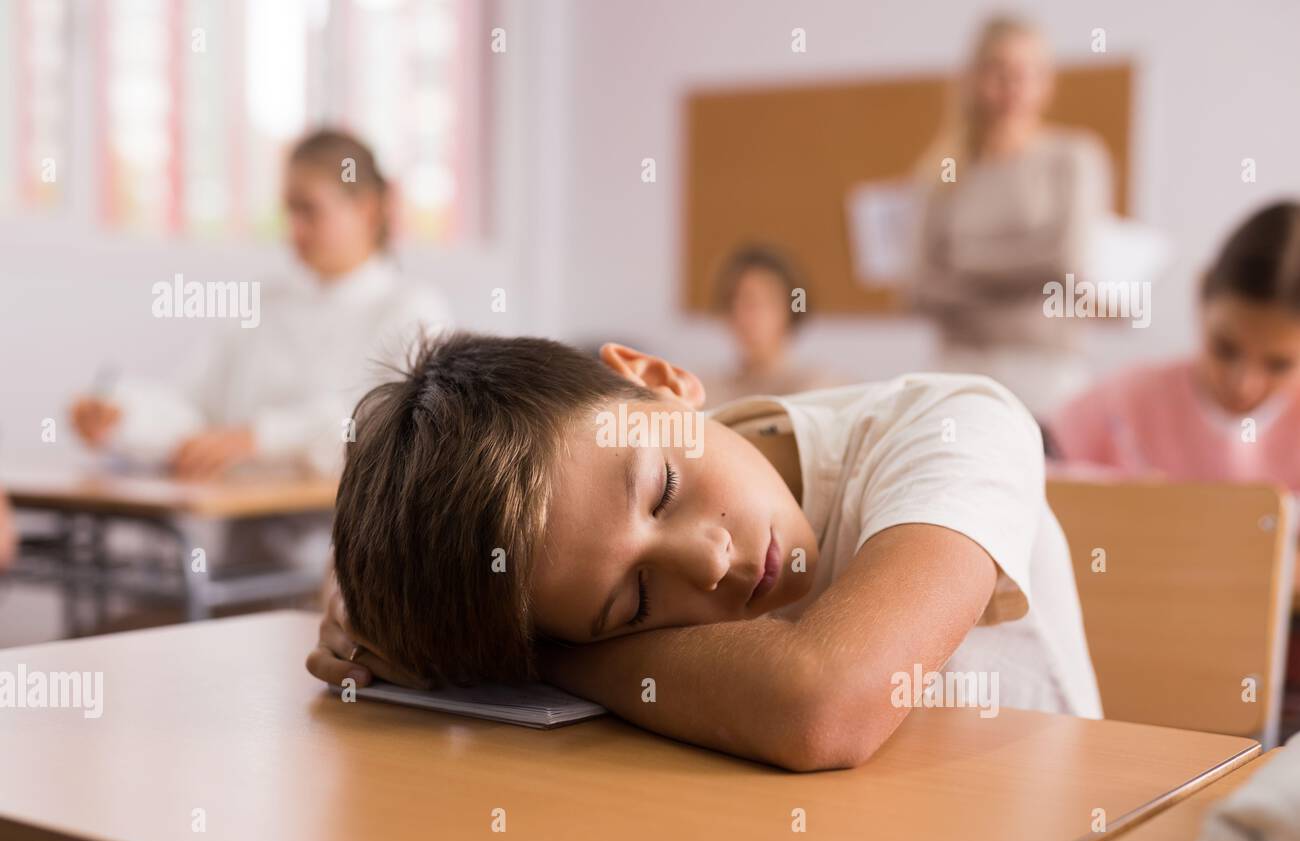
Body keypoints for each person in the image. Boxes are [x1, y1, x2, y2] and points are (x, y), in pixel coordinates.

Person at [306, 331, 1102, 772]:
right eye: (633, 603)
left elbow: (822, 704)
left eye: (663, 489)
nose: (710, 562)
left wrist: (519, 659)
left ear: (659, 378)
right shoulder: (570, 550)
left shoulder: (955, 423)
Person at [70, 128, 449, 480]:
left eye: (309, 210)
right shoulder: (265, 303)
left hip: (341, 542)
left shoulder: (413, 311)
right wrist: (121, 416)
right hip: (239, 538)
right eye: (289, 211)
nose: (295, 230)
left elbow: (381, 432)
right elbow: (194, 407)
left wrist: (260, 438)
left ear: (367, 209)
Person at [908, 16, 1111, 420]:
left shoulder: (1073, 158)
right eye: (998, 70)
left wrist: (965, 261)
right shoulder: (942, 171)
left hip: (1047, 371)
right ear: (973, 77)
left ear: (1047, 82)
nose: (1012, 84)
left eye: (1027, 72)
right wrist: (1026, 276)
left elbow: (1064, 261)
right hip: (959, 367)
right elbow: (919, 288)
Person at [1052, 201, 1300, 485]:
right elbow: (1032, 466)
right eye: (1225, 349)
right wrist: (1117, 493)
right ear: (1201, 295)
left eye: (1279, 365)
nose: (1244, 383)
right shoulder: (1127, 398)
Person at [702, 246, 843, 407]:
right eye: (735, 302)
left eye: (757, 303)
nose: (744, 316)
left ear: (791, 309)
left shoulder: (821, 390)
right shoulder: (706, 392)